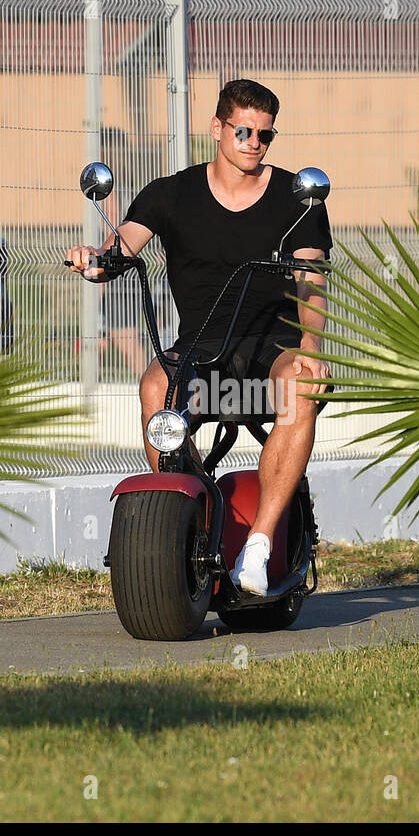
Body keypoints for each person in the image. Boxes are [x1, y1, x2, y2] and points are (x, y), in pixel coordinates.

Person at [65, 79, 332, 596]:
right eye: (243, 131)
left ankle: (258, 545)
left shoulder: (297, 199)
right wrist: (93, 262)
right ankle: (193, 511)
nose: (253, 143)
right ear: (217, 128)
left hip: (270, 352)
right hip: (201, 351)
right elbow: (120, 249)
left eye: (265, 136)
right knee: (152, 386)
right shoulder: (171, 194)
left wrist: (310, 349)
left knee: (300, 381)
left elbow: (312, 286)